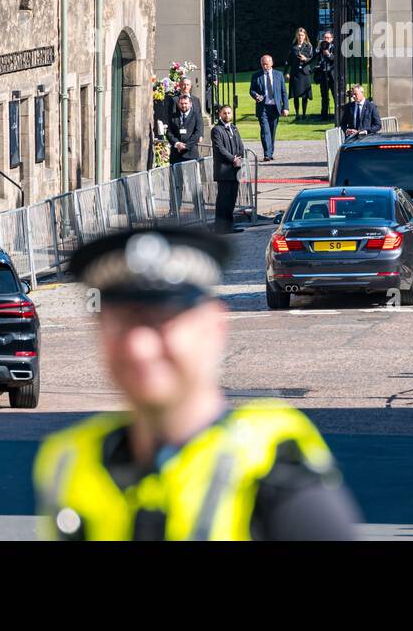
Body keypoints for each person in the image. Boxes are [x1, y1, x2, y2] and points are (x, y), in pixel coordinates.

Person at [32, 226, 361, 540]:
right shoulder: (70, 463)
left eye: (162, 321)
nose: (139, 346)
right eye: (122, 322)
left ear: (214, 328)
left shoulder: (270, 471)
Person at [209, 104, 244, 234]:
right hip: (223, 171)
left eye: (229, 113)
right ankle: (220, 227)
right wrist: (232, 159)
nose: (227, 115)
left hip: (234, 171)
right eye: (224, 113)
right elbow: (219, 149)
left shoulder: (234, 128)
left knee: (231, 199)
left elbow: (240, 145)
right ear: (220, 114)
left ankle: (229, 225)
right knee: (223, 200)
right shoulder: (216, 130)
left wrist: (239, 158)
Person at [250, 54, 288, 162]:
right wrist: (256, 95)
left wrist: (285, 107)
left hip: (275, 108)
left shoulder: (279, 75)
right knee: (265, 130)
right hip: (263, 108)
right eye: (263, 64)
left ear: (271, 63)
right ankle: (267, 154)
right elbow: (252, 90)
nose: (264, 66)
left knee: (272, 131)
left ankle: (270, 153)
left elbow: (283, 92)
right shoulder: (256, 76)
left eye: (266, 64)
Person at [287, 29, 314, 120]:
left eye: (302, 35)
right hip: (295, 73)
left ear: (305, 36)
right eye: (299, 35)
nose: (300, 37)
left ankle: (304, 114)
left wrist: (305, 59)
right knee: (296, 95)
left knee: (304, 95)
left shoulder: (308, 46)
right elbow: (289, 60)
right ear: (296, 36)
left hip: (305, 73)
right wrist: (286, 72)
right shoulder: (293, 47)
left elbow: (312, 59)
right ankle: (297, 114)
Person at [313, 32, 338, 120]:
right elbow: (314, 56)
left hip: (332, 75)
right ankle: (324, 115)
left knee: (335, 96)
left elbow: (336, 59)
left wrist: (328, 54)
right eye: (325, 37)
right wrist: (318, 47)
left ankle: (337, 115)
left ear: (331, 39)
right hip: (323, 75)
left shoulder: (335, 48)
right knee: (324, 96)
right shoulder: (321, 48)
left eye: (328, 38)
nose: (326, 39)